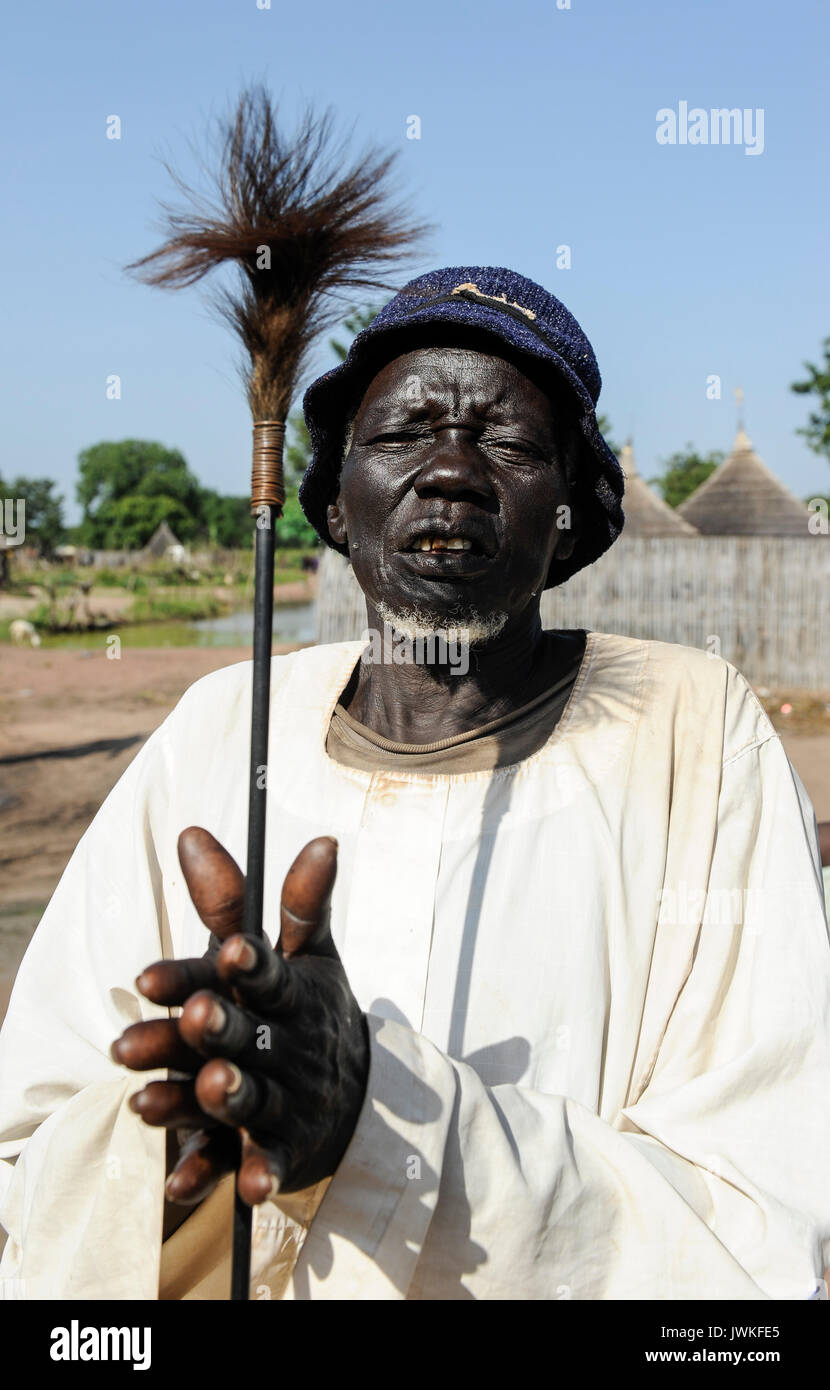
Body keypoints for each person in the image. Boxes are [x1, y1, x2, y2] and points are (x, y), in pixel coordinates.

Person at [1, 267, 829, 1301]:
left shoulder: (694, 732)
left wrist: (371, 1115)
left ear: (568, 516)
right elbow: (28, 1141)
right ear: (336, 507)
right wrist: (198, 1109)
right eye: (401, 434)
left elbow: (759, 1224)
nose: (450, 472)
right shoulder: (221, 726)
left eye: (508, 441)